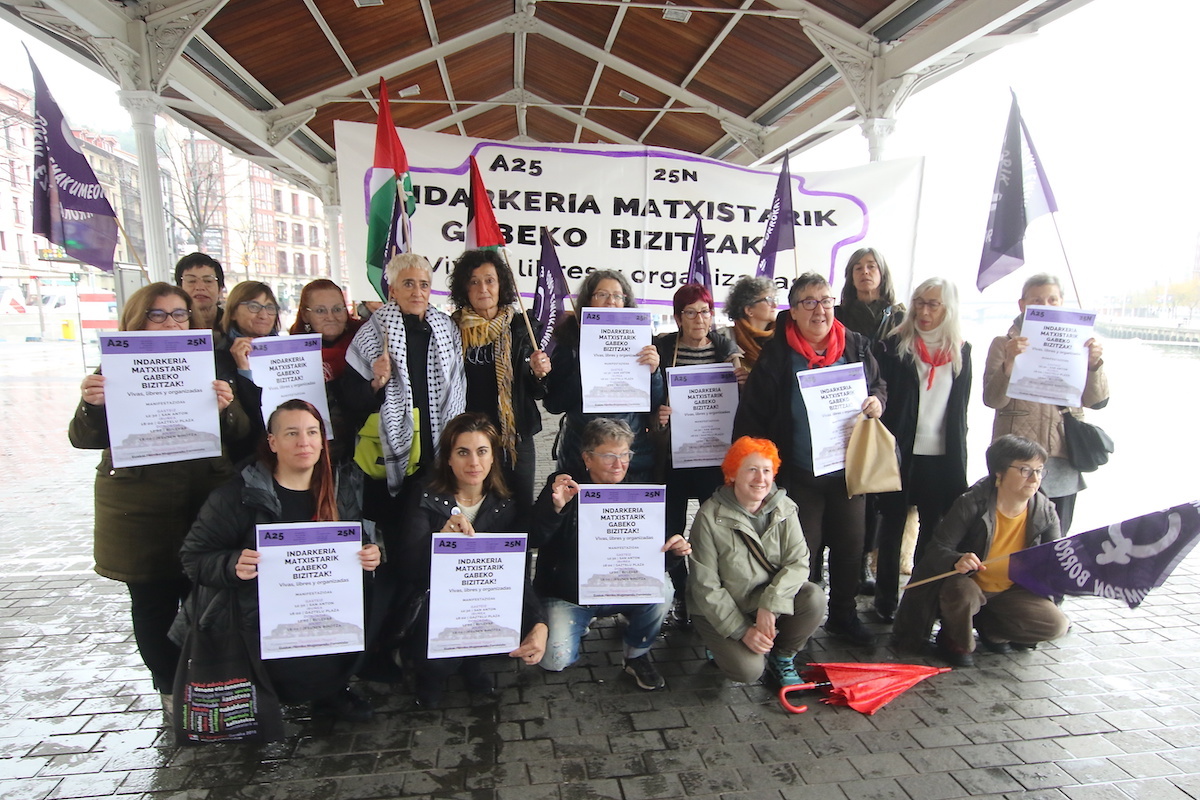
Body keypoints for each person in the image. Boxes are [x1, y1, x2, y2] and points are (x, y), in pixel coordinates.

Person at [68, 282, 250, 716]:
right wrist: (92, 404)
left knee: (204, 596)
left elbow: (240, 433)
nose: (171, 322)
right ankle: (169, 686)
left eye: (180, 314)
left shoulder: (206, 365)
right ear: (137, 319)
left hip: (201, 497)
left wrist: (227, 407)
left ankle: (209, 678)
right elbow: (82, 437)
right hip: (138, 507)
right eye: (159, 314)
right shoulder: (111, 368)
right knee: (152, 601)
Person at [179, 400, 382, 720]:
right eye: (291, 433)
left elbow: (362, 537)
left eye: (312, 432)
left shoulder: (340, 486)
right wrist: (231, 565)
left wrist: (371, 552)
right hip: (255, 616)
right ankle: (259, 697)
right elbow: (193, 557)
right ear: (272, 442)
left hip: (321, 610)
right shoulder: (236, 495)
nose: (304, 442)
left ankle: (331, 691)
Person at [733, 273, 886, 646]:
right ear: (795, 311)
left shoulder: (856, 346)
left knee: (851, 548)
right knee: (804, 553)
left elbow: (879, 385)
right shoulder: (778, 355)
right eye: (810, 302)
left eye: (827, 301)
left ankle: (844, 616)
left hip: (848, 470)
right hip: (800, 473)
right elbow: (753, 416)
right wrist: (758, 470)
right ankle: (800, 622)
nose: (820, 309)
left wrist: (877, 401)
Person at [400, 413, 549, 708]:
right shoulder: (424, 495)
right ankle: (430, 674)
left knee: (504, 628)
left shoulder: (505, 502)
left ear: (494, 457)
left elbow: (515, 571)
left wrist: (539, 622)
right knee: (437, 663)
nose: (474, 463)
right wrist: (441, 540)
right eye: (462, 452)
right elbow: (407, 568)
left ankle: (470, 662)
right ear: (448, 459)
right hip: (433, 597)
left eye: (482, 451)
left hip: (481, 599)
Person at [531, 419, 691, 690]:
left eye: (625, 455)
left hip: (620, 587)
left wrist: (674, 553)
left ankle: (636, 655)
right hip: (571, 595)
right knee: (554, 659)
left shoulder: (641, 495)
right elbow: (535, 538)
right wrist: (554, 509)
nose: (619, 465)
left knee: (664, 589)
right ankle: (580, 621)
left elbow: (652, 561)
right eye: (609, 456)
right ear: (587, 458)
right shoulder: (563, 488)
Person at [892, 435, 1070, 667]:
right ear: (999, 473)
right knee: (961, 593)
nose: (1035, 478)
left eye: (1039, 470)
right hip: (970, 585)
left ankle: (991, 628)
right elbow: (937, 548)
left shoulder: (1045, 510)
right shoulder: (971, 503)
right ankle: (954, 637)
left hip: (1010, 590)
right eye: (1025, 470)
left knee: (1056, 624)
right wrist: (957, 560)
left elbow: (1056, 557)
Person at [873, 278, 972, 623]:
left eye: (933, 304)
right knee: (892, 526)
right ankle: (884, 600)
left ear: (949, 309)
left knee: (935, 533)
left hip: (942, 457)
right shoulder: (894, 347)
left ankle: (922, 599)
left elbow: (961, 411)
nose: (924, 311)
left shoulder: (963, 351)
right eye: (919, 303)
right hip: (900, 453)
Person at [687, 437, 824, 686]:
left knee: (813, 597)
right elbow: (705, 586)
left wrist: (770, 605)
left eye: (767, 470)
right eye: (751, 470)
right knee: (748, 672)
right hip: (722, 607)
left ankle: (782, 657)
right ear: (733, 473)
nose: (760, 479)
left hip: (763, 601)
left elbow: (799, 562)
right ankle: (718, 643)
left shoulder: (785, 507)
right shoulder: (709, 516)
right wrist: (742, 631)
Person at [343, 253, 467, 527]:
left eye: (423, 284)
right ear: (393, 290)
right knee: (397, 535)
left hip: (436, 457)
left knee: (438, 532)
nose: (417, 292)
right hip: (390, 454)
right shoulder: (372, 334)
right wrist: (376, 383)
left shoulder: (446, 330)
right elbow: (350, 398)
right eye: (408, 283)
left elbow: (457, 390)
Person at [983, 274, 1108, 534]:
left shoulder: (1081, 344)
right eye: (1037, 300)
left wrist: (1094, 365)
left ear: (1062, 302)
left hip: (1061, 457)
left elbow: (1097, 401)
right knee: (1011, 536)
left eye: (1053, 299)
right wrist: (1009, 364)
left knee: (1056, 539)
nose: (1046, 305)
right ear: (1022, 304)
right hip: (1016, 459)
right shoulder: (1003, 344)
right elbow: (992, 399)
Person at [653, 283, 742, 623]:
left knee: (713, 529)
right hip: (673, 460)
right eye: (690, 313)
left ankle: (709, 594)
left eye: (704, 311)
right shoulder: (662, 350)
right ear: (677, 318)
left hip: (713, 459)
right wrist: (657, 416)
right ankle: (682, 591)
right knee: (671, 528)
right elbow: (649, 397)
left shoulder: (724, 352)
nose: (699, 319)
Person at [448, 250, 552, 506]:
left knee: (519, 511)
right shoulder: (450, 328)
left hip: (514, 439)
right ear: (465, 289)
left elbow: (537, 391)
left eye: (489, 280)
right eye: (474, 281)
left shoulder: (520, 327)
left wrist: (539, 374)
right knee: (474, 509)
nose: (482, 288)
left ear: (501, 285)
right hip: (468, 441)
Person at [543, 270, 663, 482]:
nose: (611, 302)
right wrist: (583, 372)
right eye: (602, 295)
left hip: (630, 456)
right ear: (588, 300)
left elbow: (655, 405)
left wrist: (654, 373)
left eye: (617, 296)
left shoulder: (642, 340)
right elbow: (554, 403)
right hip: (581, 455)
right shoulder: (570, 341)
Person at [288, 279, 363, 463]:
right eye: (321, 311)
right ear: (305, 315)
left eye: (338, 309)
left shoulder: (365, 341)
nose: (331, 316)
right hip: (319, 451)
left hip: (365, 446)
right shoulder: (292, 353)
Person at [219, 281, 283, 462]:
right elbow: (251, 417)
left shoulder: (287, 352)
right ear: (232, 312)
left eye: (270, 308)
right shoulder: (218, 356)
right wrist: (243, 370)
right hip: (245, 456)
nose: (263, 314)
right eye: (254, 306)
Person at [835, 247, 905, 341]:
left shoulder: (899, 317)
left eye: (871, 266)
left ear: (882, 274)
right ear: (851, 278)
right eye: (858, 268)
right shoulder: (838, 316)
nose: (865, 271)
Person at [723, 275, 777, 372]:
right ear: (749, 310)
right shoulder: (725, 338)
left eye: (774, 300)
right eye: (769, 300)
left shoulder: (782, 338)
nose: (775, 305)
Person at [174, 252, 226, 334]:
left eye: (208, 281)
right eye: (191, 281)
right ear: (179, 288)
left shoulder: (235, 325)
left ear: (220, 289)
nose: (200, 287)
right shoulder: (172, 326)